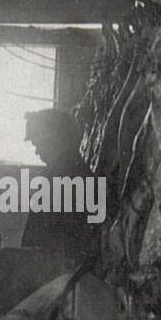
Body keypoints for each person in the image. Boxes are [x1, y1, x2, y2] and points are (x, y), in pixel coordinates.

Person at [20, 109, 103, 266]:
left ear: (60, 139)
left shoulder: (78, 181)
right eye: (36, 145)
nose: (37, 152)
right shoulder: (53, 178)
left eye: (42, 143)